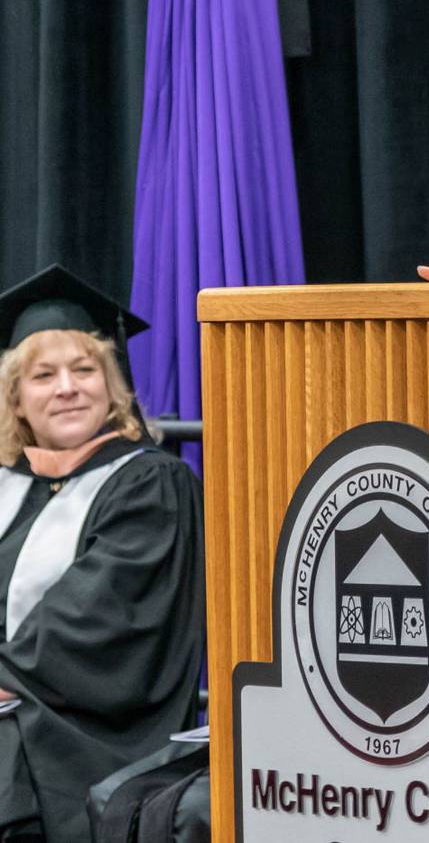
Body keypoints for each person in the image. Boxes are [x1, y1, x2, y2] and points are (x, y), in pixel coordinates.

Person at [0, 266, 204, 842]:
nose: (67, 387)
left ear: (112, 387)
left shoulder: (152, 484)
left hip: (88, 740)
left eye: (84, 369)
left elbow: (102, 617)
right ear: (17, 399)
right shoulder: (9, 486)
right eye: (43, 376)